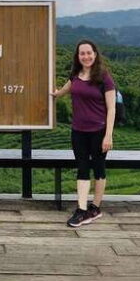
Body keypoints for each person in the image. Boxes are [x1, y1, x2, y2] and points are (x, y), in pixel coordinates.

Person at [51, 39, 116, 227]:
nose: (86, 56)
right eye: (82, 53)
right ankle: (81, 210)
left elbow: (111, 108)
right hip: (78, 131)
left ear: (95, 54)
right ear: (78, 56)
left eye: (89, 53)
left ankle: (95, 207)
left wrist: (108, 135)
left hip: (99, 131)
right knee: (82, 168)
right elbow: (65, 90)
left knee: (99, 169)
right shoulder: (75, 75)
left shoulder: (104, 77)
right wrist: (54, 94)